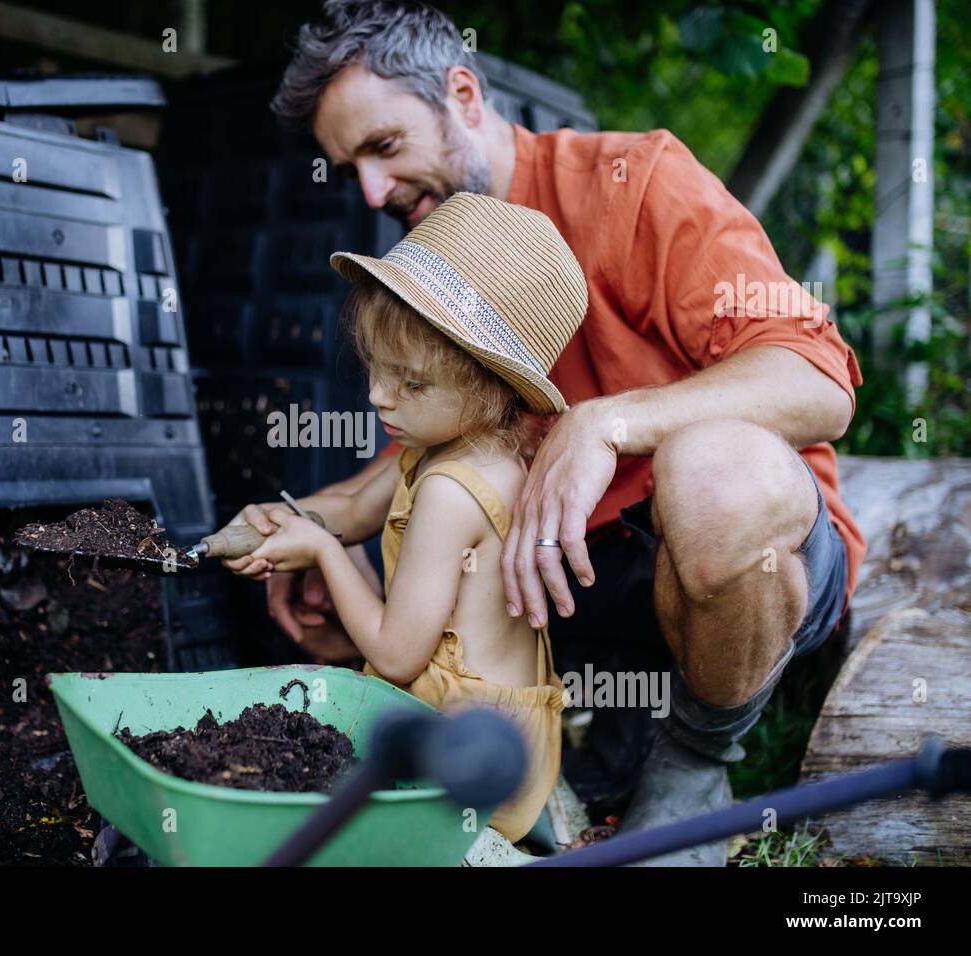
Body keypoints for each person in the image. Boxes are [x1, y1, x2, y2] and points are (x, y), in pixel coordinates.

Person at [231, 0, 865, 866]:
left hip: (752, 560)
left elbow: (818, 380)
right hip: (583, 588)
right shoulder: (442, 252)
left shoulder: (636, 183)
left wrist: (608, 424)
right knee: (447, 509)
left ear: (462, 92)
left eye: (383, 148)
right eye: (350, 170)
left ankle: (696, 763)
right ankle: (564, 753)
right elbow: (406, 464)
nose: (372, 194)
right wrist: (293, 533)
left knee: (713, 473)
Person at [230, 192, 588, 846]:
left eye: (411, 383)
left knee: (281, 753)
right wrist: (293, 524)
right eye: (373, 366)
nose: (376, 395)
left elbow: (397, 657)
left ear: (490, 385)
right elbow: (358, 513)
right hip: (507, 739)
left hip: (459, 754)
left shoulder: (450, 491)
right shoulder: (492, 453)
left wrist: (324, 553)